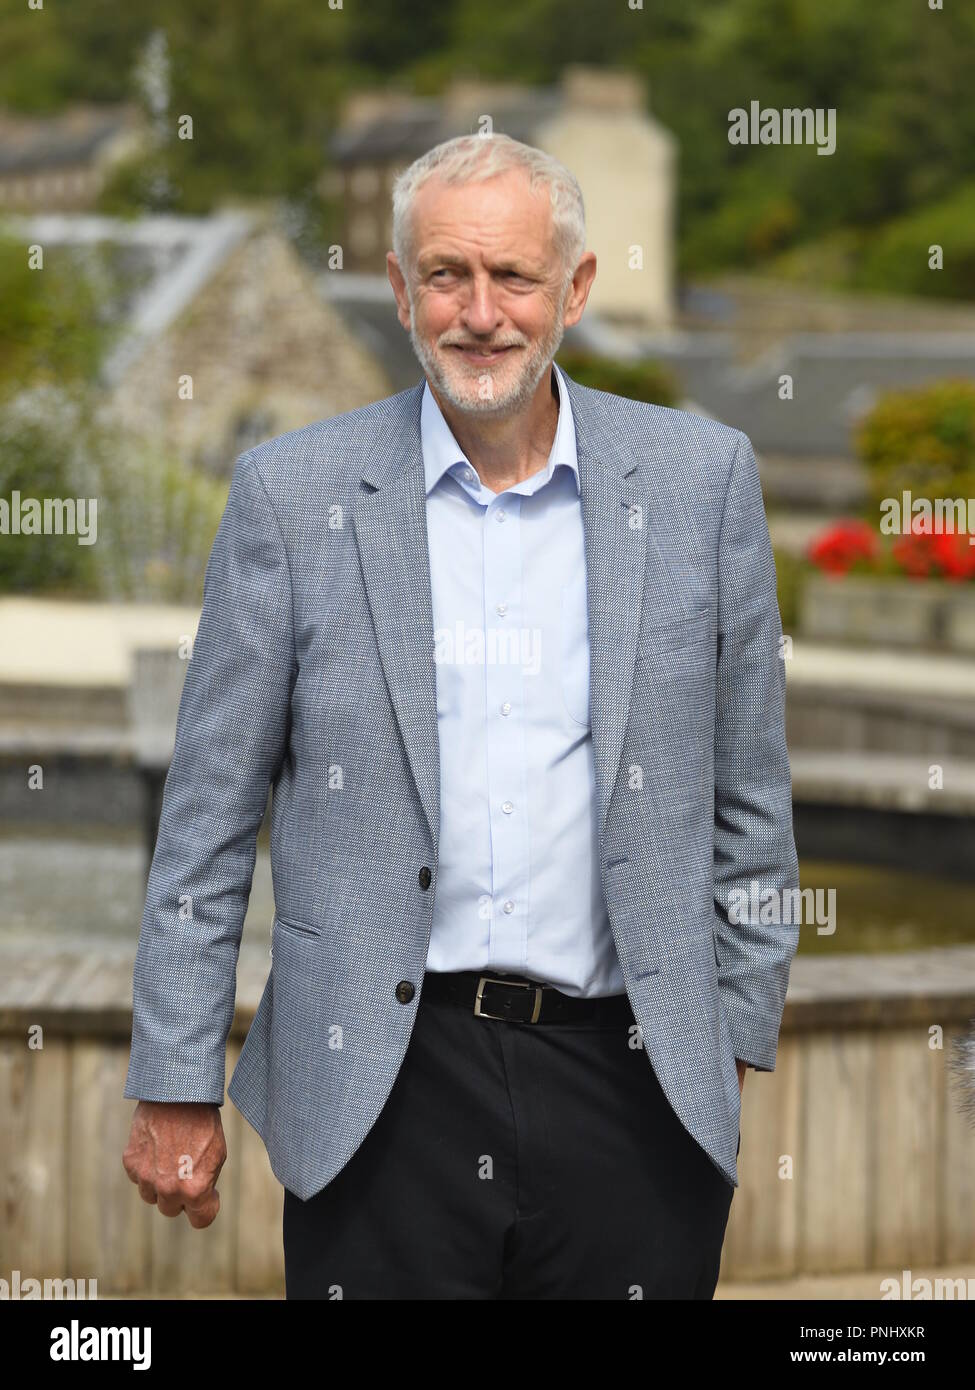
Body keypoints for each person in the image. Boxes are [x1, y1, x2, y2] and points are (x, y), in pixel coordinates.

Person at [122, 132, 800, 1300]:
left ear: (575, 290)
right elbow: (208, 818)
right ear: (397, 289)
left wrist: (728, 1043)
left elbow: (754, 802)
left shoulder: (705, 480)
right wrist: (176, 1078)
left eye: (514, 277)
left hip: (632, 1083)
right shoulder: (292, 496)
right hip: (383, 1088)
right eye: (446, 274)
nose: (479, 313)